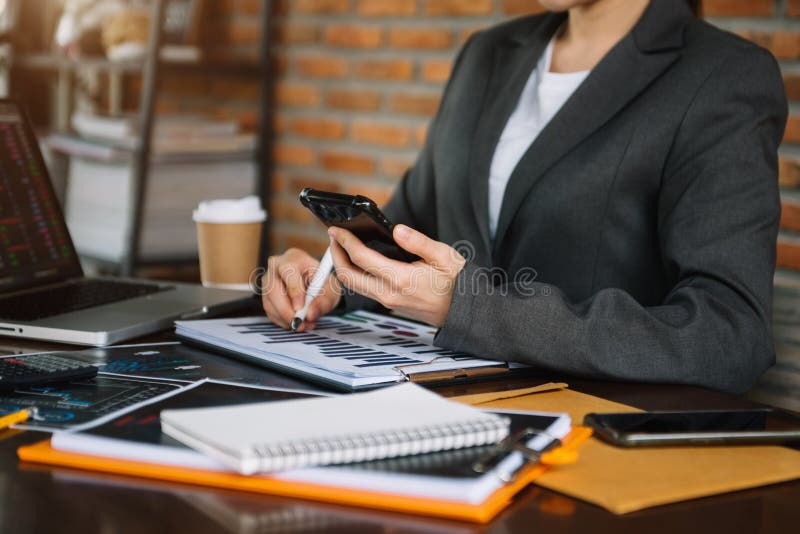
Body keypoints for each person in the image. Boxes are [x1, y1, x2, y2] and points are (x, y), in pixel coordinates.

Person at [262, 0, 787, 394]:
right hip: (433, 404)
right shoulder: (487, 54)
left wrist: (470, 308)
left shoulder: (722, 76)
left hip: (593, 438)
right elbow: (410, 233)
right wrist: (332, 280)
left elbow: (730, 336)